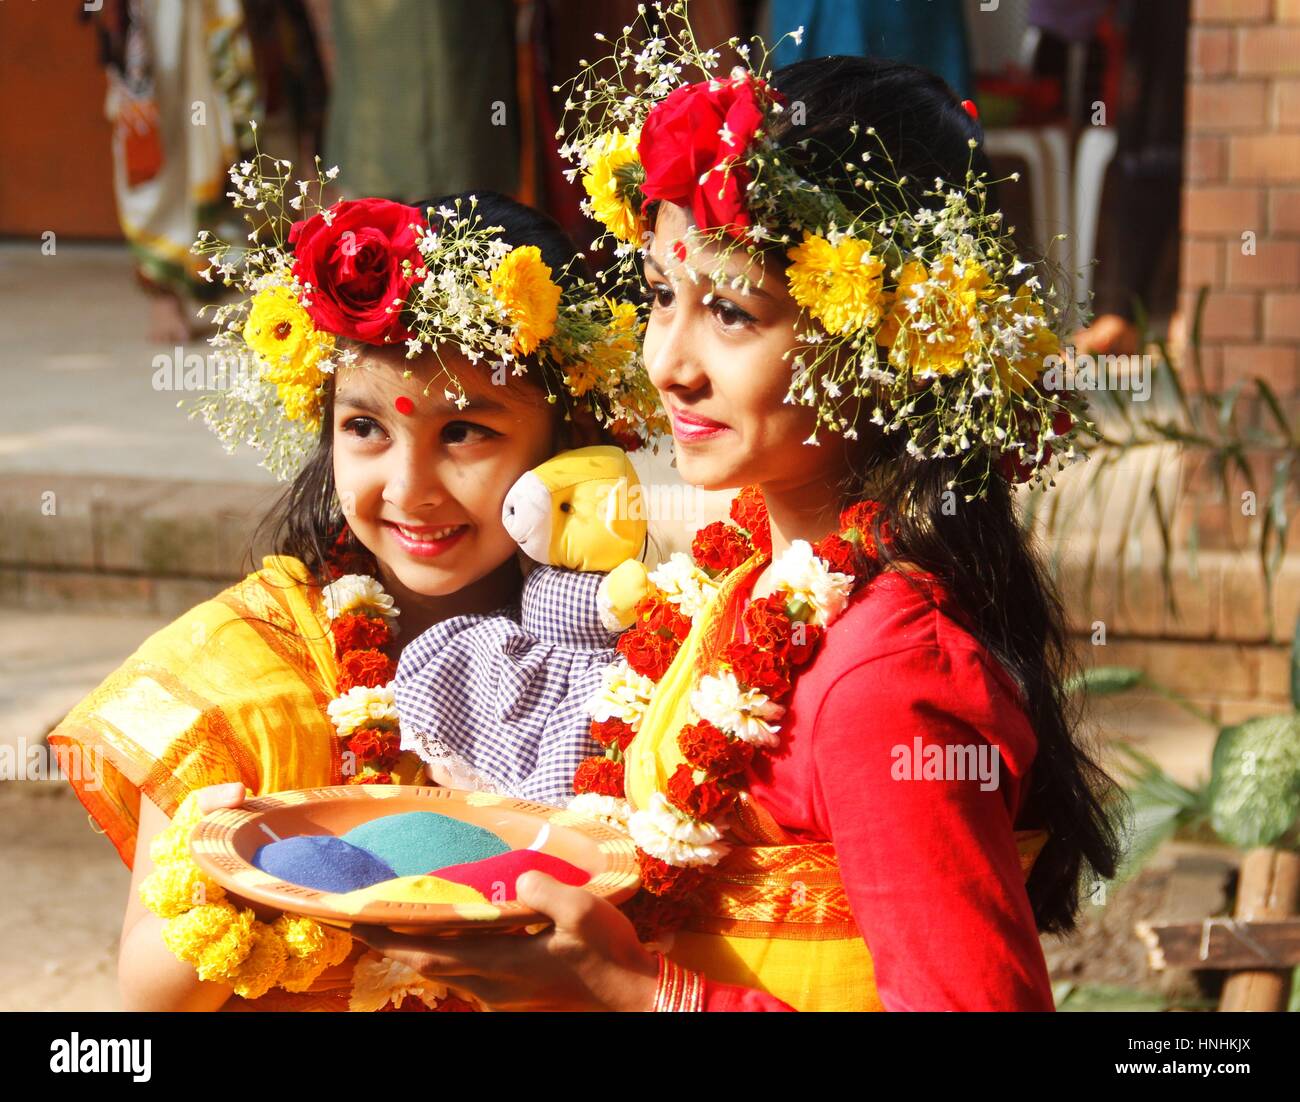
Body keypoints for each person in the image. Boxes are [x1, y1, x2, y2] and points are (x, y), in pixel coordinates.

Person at [352, 14, 1121, 1012]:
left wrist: (638, 993)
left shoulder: (886, 680)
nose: (669, 360)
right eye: (661, 294)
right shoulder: (752, 573)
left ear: (880, 338)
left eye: (731, 313)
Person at [48, 176, 660, 1010]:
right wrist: (226, 867)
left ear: (568, 440)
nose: (410, 488)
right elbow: (147, 999)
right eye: (366, 427)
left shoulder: (626, 663)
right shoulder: (242, 675)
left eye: (465, 431)